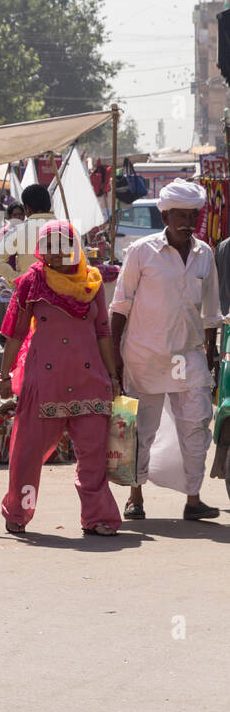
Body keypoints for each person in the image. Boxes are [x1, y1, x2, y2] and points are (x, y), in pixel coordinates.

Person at [0, 220, 122, 535]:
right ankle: (18, 512)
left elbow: (103, 332)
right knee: (28, 453)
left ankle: (98, 518)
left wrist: (113, 375)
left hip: (89, 379)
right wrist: (3, 374)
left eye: (63, 244)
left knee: (93, 458)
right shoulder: (31, 282)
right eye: (49, 246)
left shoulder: (91, 283)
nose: (56, 253)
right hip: (44, 381)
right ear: (40, 249)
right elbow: (16, 333)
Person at [111, 179, 221, 522]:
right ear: (166, 216)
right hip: (144, 356)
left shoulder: (205, 255)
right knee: (142, 430)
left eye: (193, 215)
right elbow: (120, 307)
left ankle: (193, 499)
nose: (188, 221)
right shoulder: (141, 252)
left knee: (195, 425)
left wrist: (210, 351)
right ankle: (136, 497)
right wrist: (114, 357)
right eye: (181, 215)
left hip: (184, 358)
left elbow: (211, 312)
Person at [0, 184, 54, 283]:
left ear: (27, 209)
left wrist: (19, 278)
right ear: (49, 205)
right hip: (63, 293)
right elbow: (82, 266)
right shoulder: (69, 229)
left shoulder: (18, 230)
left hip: (31, 291)